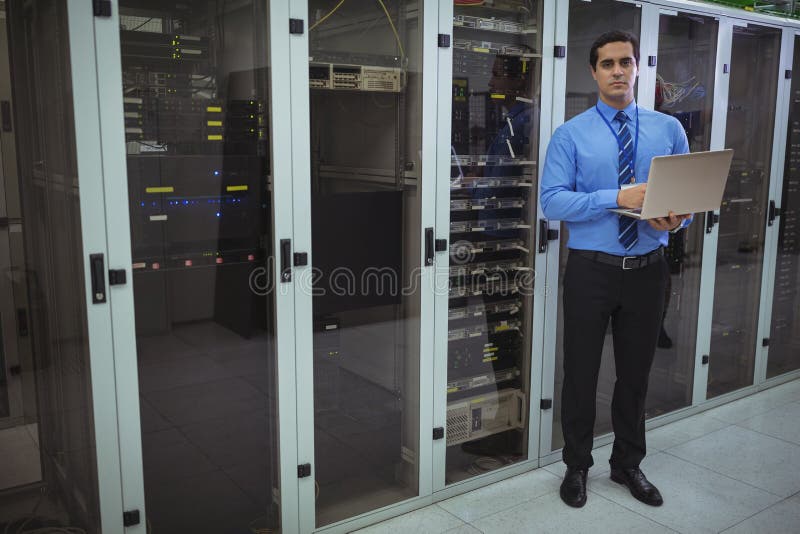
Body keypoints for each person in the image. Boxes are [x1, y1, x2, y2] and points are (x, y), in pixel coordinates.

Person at [540, 30, 691, 508]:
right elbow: (551, 201)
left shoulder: (668, 130)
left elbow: (687, 192)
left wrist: (677, 216)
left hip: (648, 269)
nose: (618, 71)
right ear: (594, 72)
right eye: (607, 64)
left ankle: (627, 463)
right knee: (580, 373)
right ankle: (576, 466)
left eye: (625, 62)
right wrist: (616, 198)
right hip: (591, 270)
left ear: (637, 68)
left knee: (636, 375)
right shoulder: (570, 134)